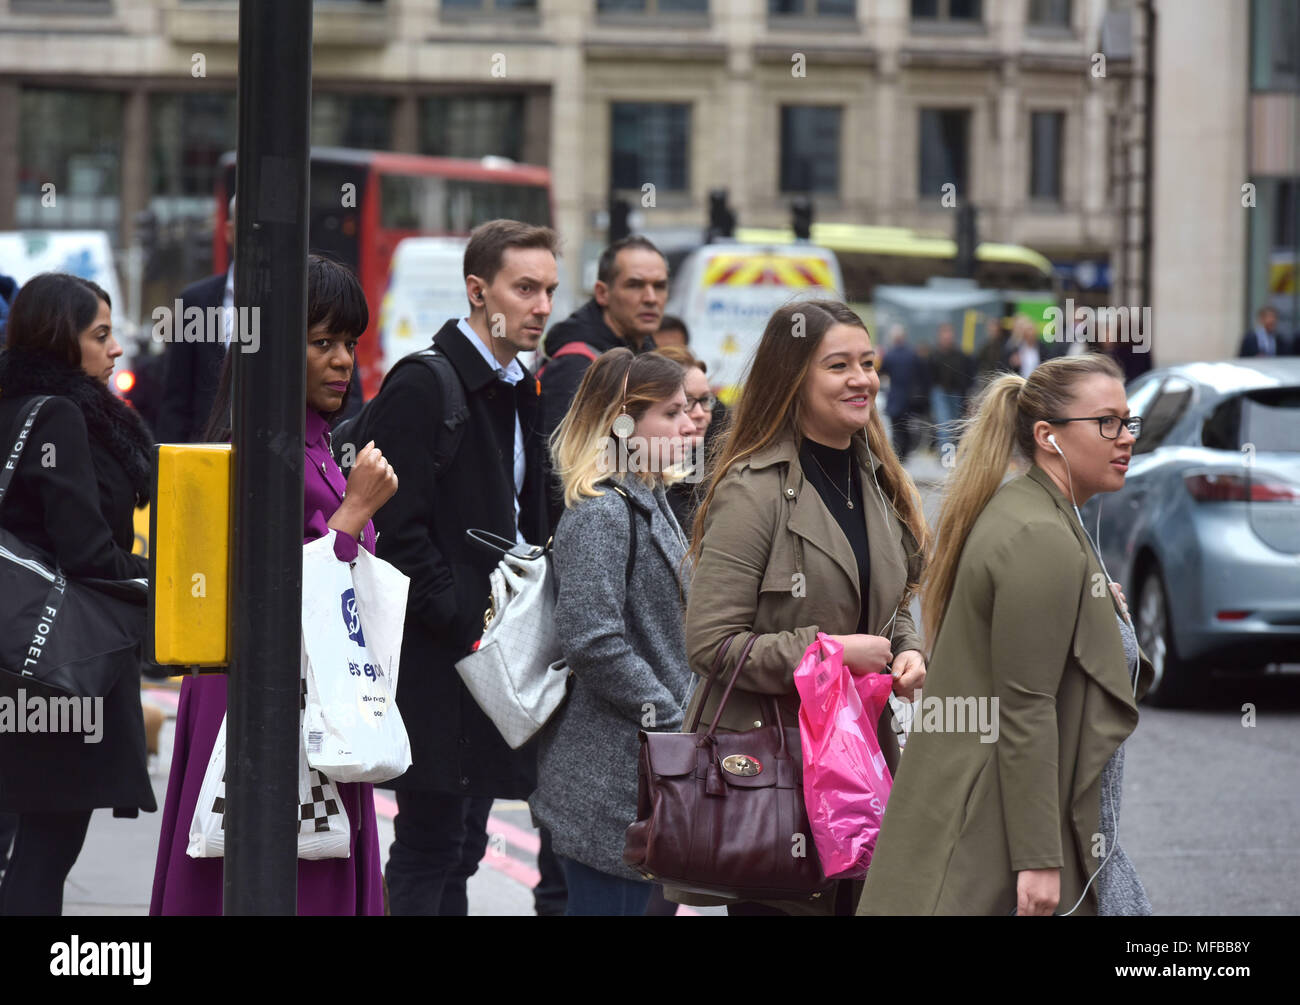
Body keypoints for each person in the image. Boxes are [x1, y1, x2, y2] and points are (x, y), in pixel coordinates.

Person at [858, 353, 1154, 916]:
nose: (1125, 438)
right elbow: (1026, 708)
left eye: (1128, 421)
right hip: (1001, 834)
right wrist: (1039, 861)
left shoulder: (1039, 512)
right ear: (1048, 436)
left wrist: (1100, 614)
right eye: (1107, 422)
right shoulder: (1038, 532)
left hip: (1006, 817)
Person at [150, 255, 397, 915]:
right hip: (261, 696)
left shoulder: (318, 440)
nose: (344, 359)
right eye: (323, 343)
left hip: (312, 689)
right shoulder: (258, 446)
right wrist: (353, 515)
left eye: (349, 342)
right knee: (275, 876)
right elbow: (270, 590)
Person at [680, 300, 929, 916]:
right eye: (838, 365)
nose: (862, 379)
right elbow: (710, 643)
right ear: (793, 377)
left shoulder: (878, 478)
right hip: (776, 772)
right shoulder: (751, 489)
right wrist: (831, 653)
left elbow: (890, 603)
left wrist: (908, 648)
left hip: (861, 767)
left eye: (867, 364)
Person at [357, 219, 558, 916]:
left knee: (465, 845)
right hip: (437, 659)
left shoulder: (517, 383)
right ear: (479, 290)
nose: (541, 306)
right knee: (430, 843)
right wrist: (458, 615)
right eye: (524, 288)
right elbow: (396, 529)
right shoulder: (425, 383)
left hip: (494, 658)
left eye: (549, 290)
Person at [0, 273, 155, 915]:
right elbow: (86, 549)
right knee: (46, 848)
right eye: (100, 334)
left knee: (26, 842)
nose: (116, 349)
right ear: (62, 342)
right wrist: (159, 578)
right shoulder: (60, 415)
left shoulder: (14, 405)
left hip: (17, 653)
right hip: (58, 665)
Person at [530, 348, 697, 916]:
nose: (689, 423)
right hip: (613, 780)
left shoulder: (649, 497)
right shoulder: (602, 509)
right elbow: (591, 638)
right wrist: (668, 713)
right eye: (672, 412)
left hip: (652, 774)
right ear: (625, 421)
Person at [156, 197, 360, 443]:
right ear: (230, 232)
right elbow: (175, 402)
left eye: (279, 229)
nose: (269, 240)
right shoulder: (195, 301)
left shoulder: (310, 300)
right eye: (256, 228)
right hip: (207, 458)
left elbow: (349, 396)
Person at [539, 236, 669, 528]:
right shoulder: (576, 363)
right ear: (602, 293)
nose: (650, 297)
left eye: (659, 286)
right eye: (635, 285)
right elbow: (560, 468)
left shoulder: (645, 352)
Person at [653, 344, 715, 530]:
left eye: (705, 400)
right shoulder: (641, 484)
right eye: (686, 402)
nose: (700, 413)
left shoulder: (711, 472)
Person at [878, 323, 930, 462]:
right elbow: (923, 375)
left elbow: (881, 371)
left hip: (895, 396)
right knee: (905, 425)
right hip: (909, 397)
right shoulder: (913, 354)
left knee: (896, 427)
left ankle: (899, 453)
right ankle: (905, 452)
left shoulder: (890, 355)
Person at [928, 322, 975, 453]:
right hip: (940, 392)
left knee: (955, 424)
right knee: (944, 425)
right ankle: (946, 457)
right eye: (944, 334)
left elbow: (967, 375)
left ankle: (952, 453)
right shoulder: (934, 355)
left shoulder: (961, 355)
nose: (947, 337)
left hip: (956, 393)